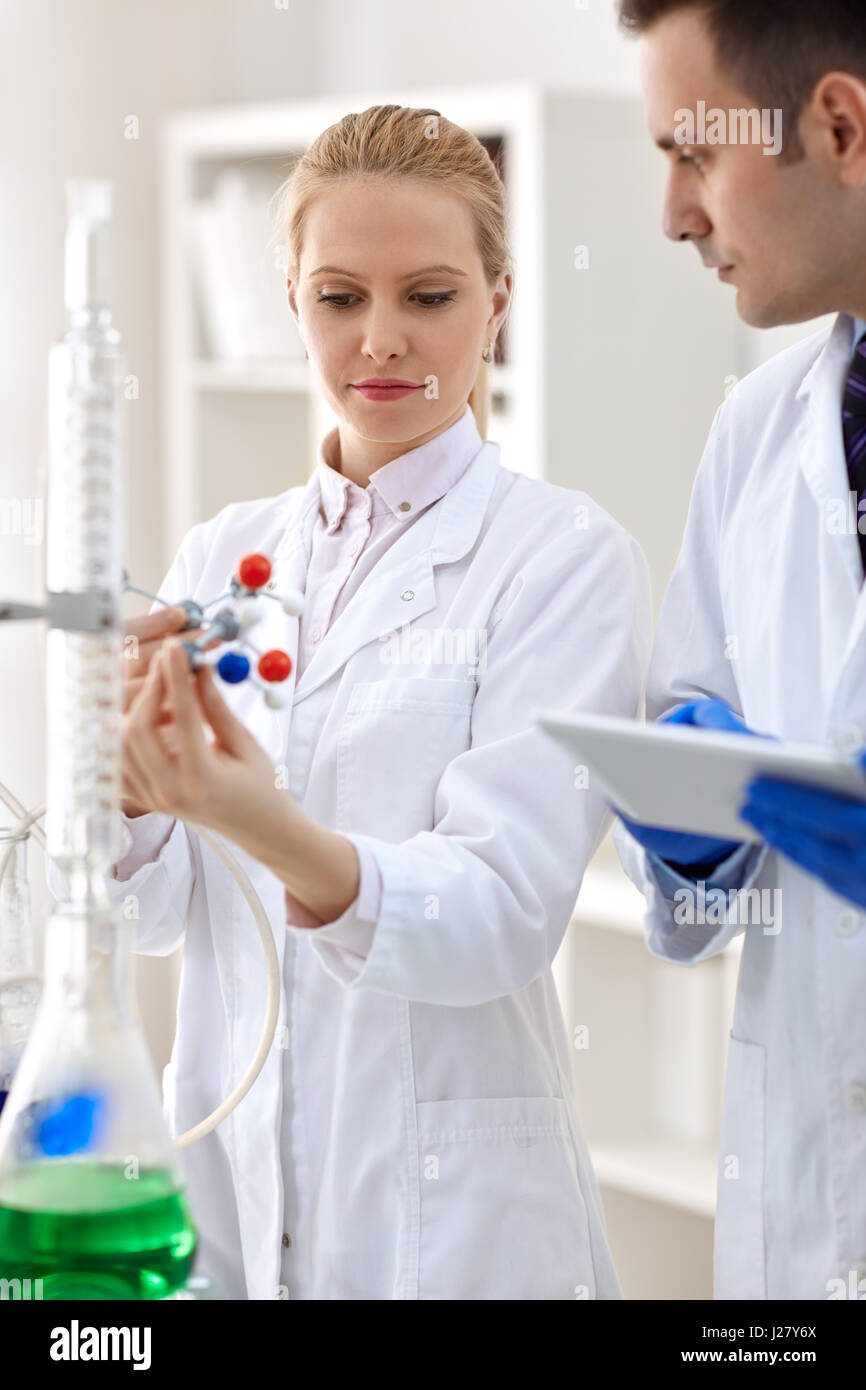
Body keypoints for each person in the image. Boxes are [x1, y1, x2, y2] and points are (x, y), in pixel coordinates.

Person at [47, 105, 652, 1300]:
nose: (381, 340)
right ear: (290, 299)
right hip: (227, 1193)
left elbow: (495, 912)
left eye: (428, 295)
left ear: (498, 298)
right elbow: (167, 913)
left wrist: (249, 810)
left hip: (457, 1234)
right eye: (339, 297)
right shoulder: (224, 555)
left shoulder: (560, 556)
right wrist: (119, 786)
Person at [612, 0, 866, 1300]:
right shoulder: (755, 432)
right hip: (798, 1227)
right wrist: (688, 838)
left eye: (690, 153)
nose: (670, 214)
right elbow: (698, 742)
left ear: (838, 127)